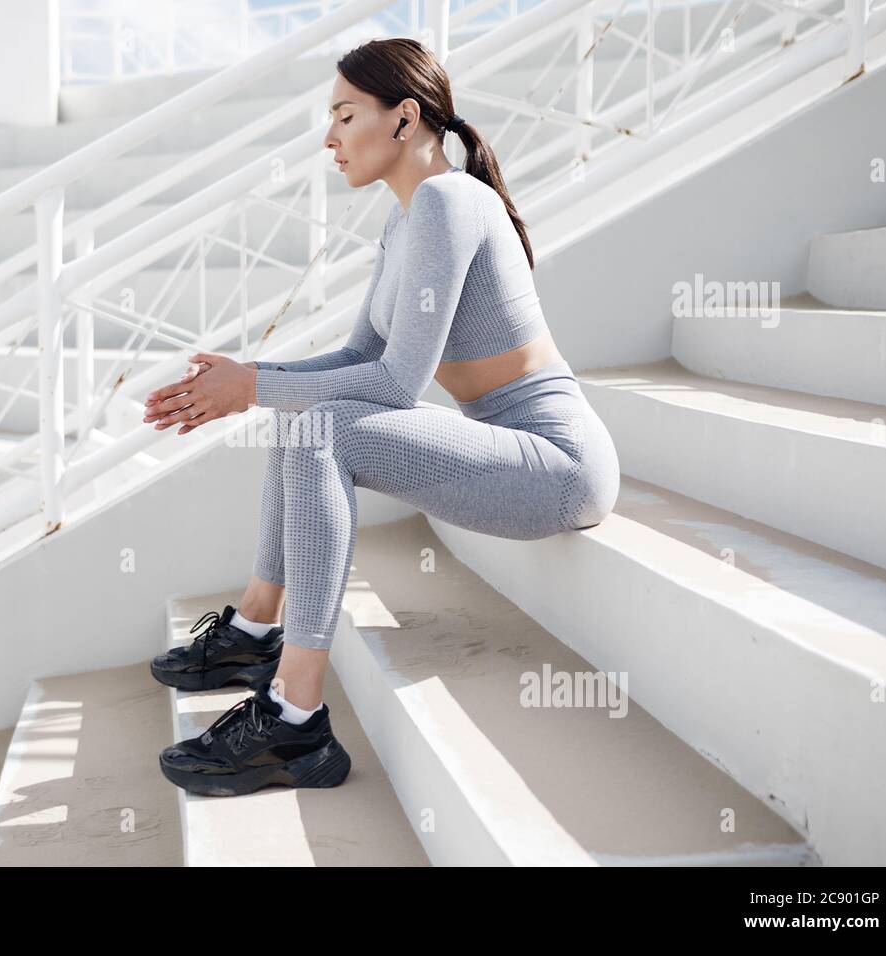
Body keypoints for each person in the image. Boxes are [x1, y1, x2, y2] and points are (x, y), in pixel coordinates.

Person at [142, 37, 620, 798]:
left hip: (555, 463)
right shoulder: (404, 223)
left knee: (321, 422)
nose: (328, 139)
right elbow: (353, 356)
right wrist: (248, 380)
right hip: (504, 445)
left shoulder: (449, 201)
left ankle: (294, 719)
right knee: (306, 416)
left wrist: (253, 388)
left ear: (404, 119)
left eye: (342, 115)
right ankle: (256, 633)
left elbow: (397, 384)